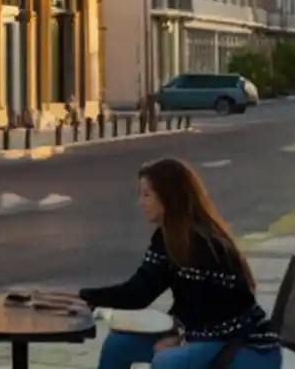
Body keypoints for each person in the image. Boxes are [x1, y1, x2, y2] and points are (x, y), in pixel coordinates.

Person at [74, 158, 282, 369]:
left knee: (167, 361)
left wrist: (182, 339)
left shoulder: (206, 245)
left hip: (245, 346)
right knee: (118, 344)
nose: (141, 203)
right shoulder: (166, 239)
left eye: (147, 195)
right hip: (204, 335)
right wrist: (86, 298)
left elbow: (226, 314)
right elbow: (138, 293)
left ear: (169, 198)